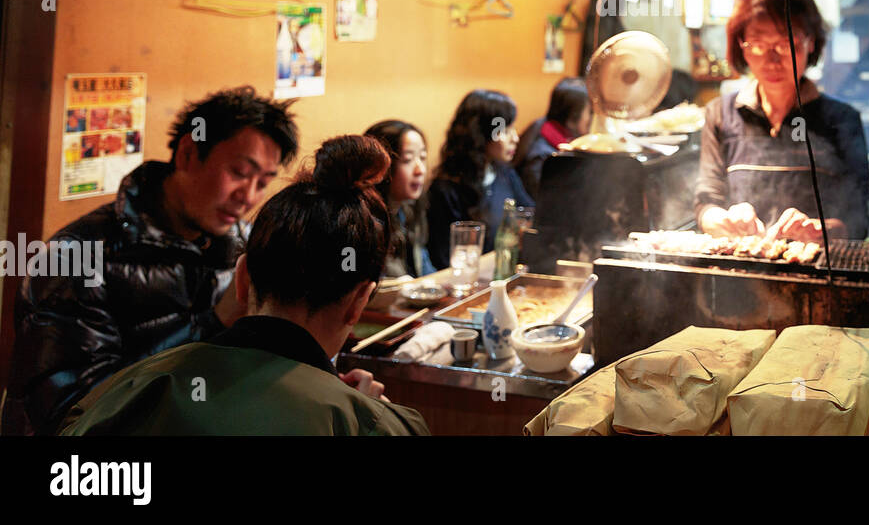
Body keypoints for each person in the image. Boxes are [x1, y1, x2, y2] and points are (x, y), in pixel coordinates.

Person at [59, 135, 429, 435]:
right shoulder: (376, 426)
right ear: (359, 301)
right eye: (238, 171)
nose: (246, 192)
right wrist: (359, 412)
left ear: (242, 278)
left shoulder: (131, 392)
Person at [3, 86, 298, 436]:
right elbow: (74, 415)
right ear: (188, 153)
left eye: (263, 182)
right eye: (237, 172)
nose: (248, 197)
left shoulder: (243, 244)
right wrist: (215, 323)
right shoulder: (74, 259)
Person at [694, 0, 869, 242]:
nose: (772, 59)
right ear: (741, 47)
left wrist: (820, 230)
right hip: (741, 272)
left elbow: (859, 218)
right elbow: (706, 204)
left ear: (810, 43)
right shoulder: (720, 114)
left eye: (786, 43)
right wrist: (722, 219)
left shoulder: (841, 120)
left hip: (816, 271)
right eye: (757, 45)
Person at [427, 90, 534, 269]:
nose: (515, 138)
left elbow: (529, 214)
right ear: (481, 133)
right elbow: (444, 259)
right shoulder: (446, 189)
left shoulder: (505, 173)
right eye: (505, 130)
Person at [365, 120, 432, 278]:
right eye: (407, 160)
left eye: (422, 157)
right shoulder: (364, 223)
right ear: (381, 166)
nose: (420, 170)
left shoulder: (409, 208)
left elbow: (425, 270)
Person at [513, 77, 592, 200]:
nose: (592, 118)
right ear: (572, 116)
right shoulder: (542, 156)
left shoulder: (565, 138)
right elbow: (548, 201)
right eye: (589, 111)